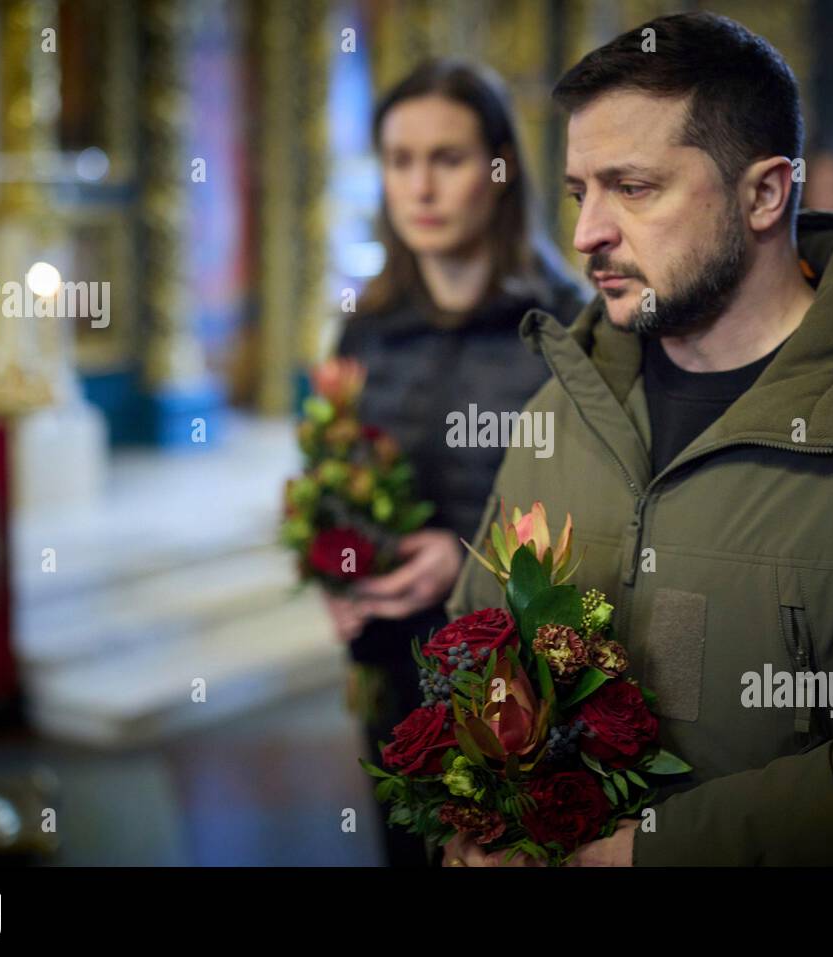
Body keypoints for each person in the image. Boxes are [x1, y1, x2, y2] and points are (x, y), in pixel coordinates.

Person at [444, 12, 833, 866]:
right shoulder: (565, 406)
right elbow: (471, 643)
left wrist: (651, 854)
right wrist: (474, 823)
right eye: (578, 192)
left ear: (766, 193)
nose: (588, 231)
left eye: (633, 188)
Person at [329, 59, 586, 866]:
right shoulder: (366, 328)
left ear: (501, 169)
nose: (421, 187)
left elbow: (608, 517)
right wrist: (335, 565)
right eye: (400, 161)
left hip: (520, 677)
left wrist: (466, 558)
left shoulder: (570, 325)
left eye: (448, 158)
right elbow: (338, 477)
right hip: (392, 660)